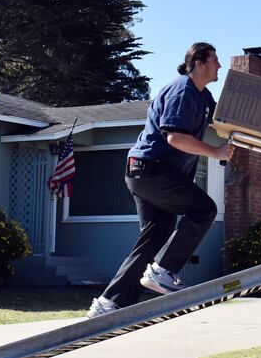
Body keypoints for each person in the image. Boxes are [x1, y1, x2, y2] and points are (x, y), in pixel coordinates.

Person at [87, 42, 234, 317]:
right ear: (199, 63)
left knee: (156, 236)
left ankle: (109, 303)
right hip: (151, 170)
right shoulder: (182, 90)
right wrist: (215, 151)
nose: (219, 66)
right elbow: (175, 137)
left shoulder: (203, 96)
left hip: (148, 173)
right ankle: (163, 270)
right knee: (204, 209)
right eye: (215, 60)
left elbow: (223, 120)